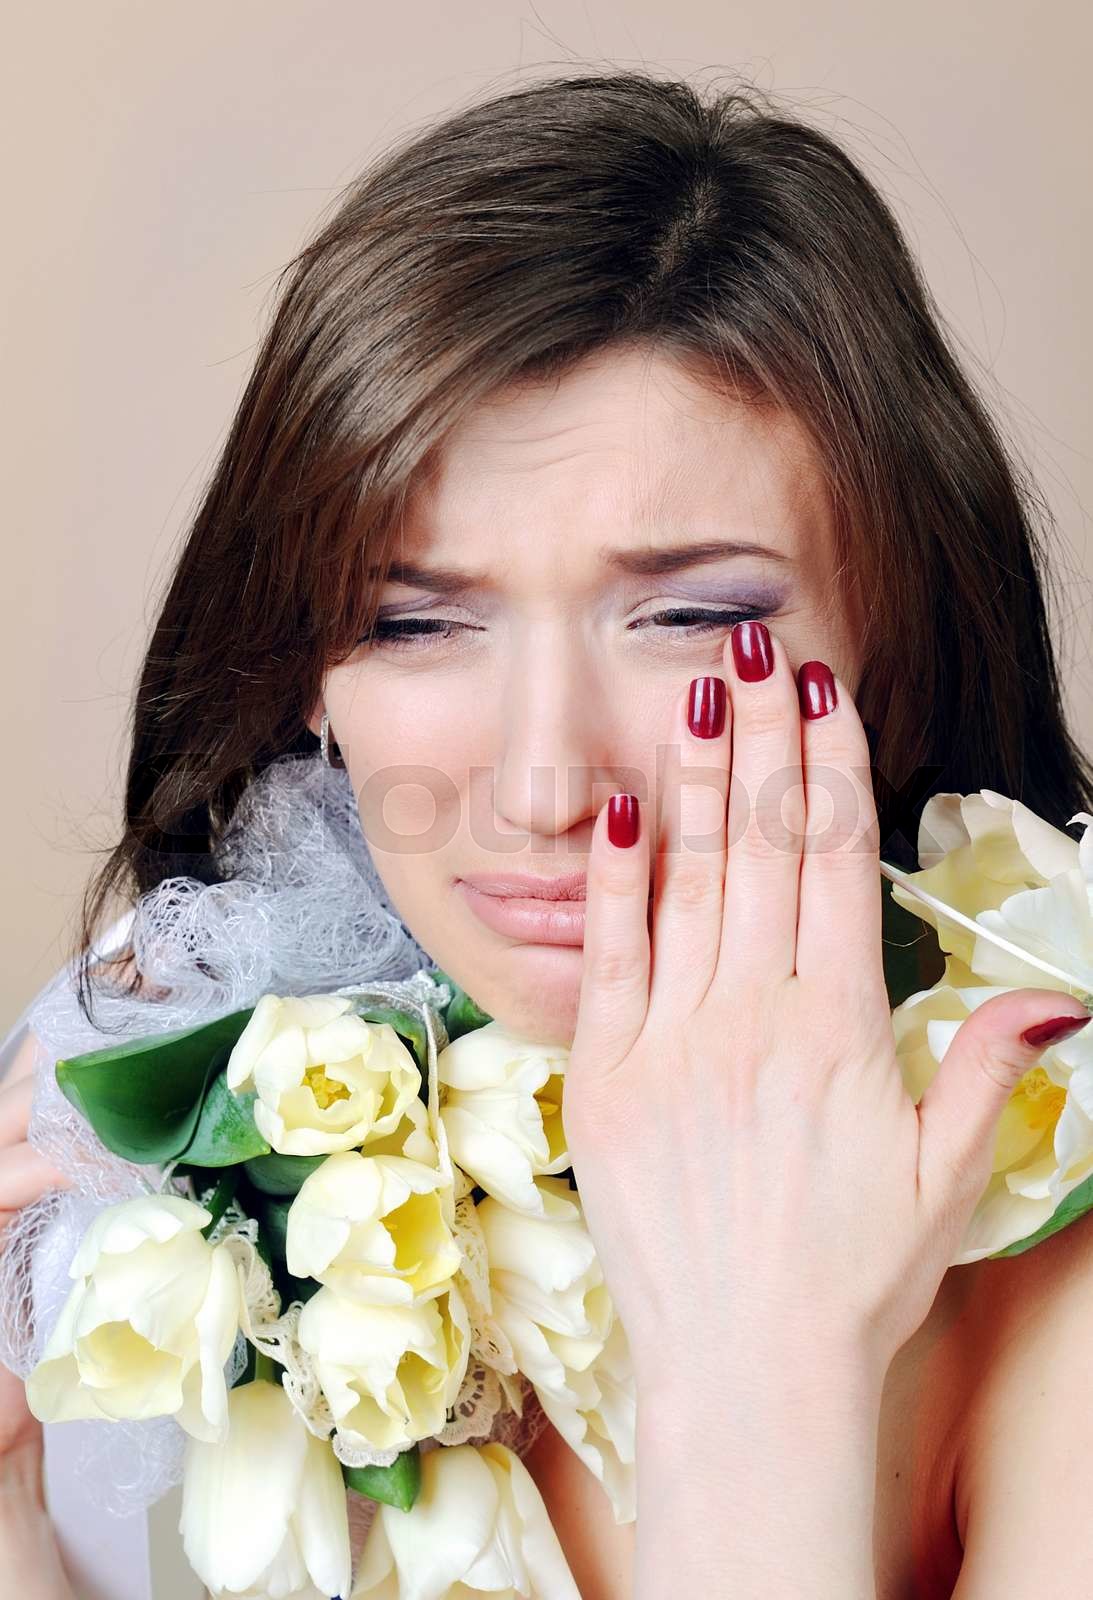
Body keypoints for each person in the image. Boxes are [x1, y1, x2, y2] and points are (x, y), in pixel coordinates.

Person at [3, 68, 1093, 1599]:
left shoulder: (1061, 1281)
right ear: (307, 680)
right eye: (411, 620)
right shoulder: (227, 1108)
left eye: (691, 618)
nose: (534, 789)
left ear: (896, 649)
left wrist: (758, 1368)